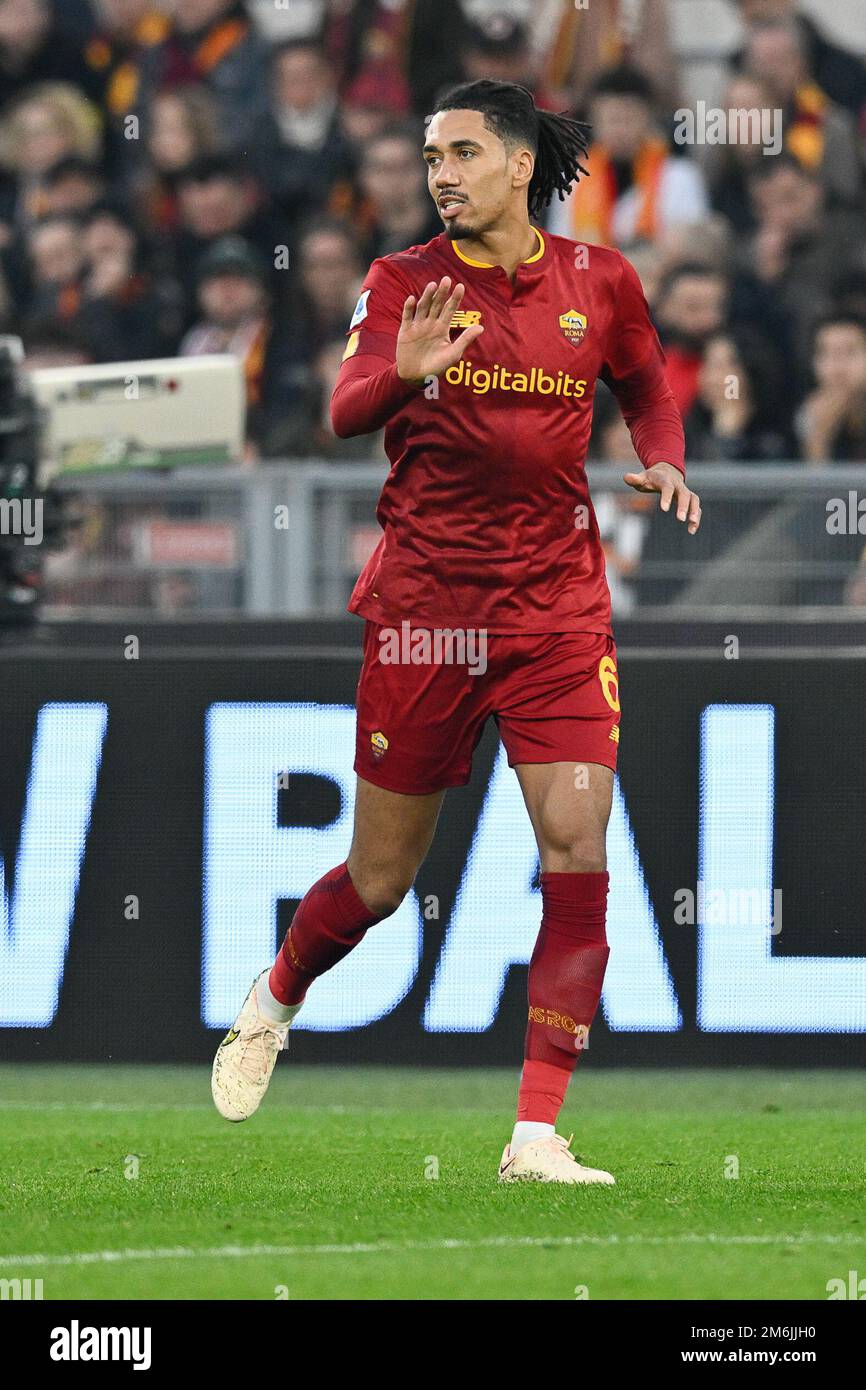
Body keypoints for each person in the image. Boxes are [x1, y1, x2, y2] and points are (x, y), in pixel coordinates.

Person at [211, 78, 701, 1185]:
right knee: (378, 884)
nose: (440, 171)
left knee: (577, 849)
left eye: (461, 151)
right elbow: (342, 411)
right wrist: (402, 375)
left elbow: (644, 383)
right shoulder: (400, 283)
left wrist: (663, 454)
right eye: (431, 154)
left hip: (556, 610)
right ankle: (277, 993)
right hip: (425, 617)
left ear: (518, 164)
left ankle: (534, 1133)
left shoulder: (599, 278)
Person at [546, 66, 708, 248]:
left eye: (629, 119)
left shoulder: (680, 177)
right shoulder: (572, 179)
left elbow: (690, 247)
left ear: (648, 119)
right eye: (612, 120)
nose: (620, 130)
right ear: (595, 123)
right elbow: (560, 248)